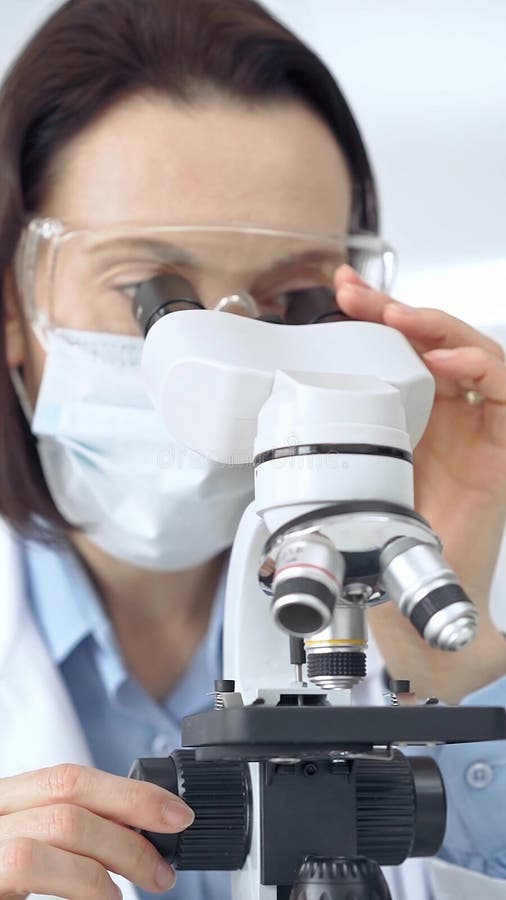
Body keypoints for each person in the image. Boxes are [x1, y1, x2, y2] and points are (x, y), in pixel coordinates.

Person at [0, 1, 505, 898]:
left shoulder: (440, 584)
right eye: (155, 298)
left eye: (295, 301)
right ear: (13, 306)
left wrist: (434, 683)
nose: (224, 362)